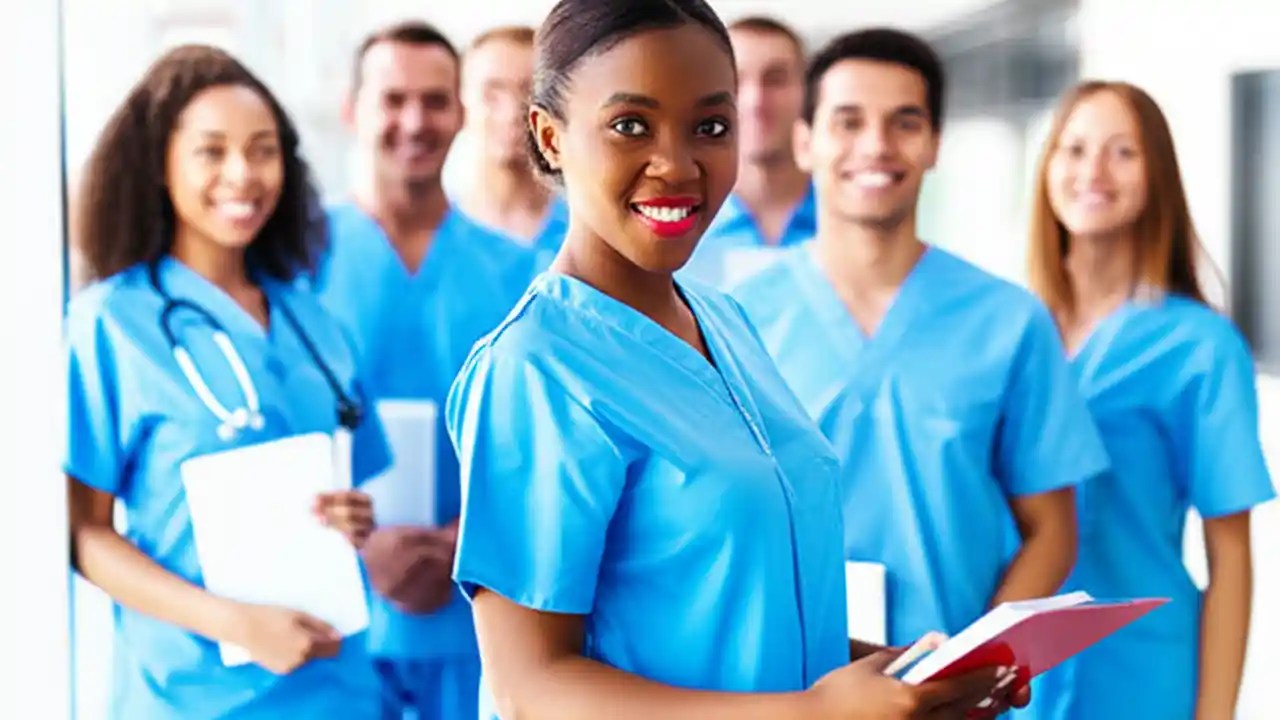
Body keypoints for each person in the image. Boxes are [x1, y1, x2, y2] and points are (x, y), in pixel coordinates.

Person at [445, 3, 1027, 719]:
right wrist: (816, 714)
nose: (677, 164)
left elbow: (735, 618)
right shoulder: (536, 367)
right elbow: (529, 686)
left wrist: (896, 681)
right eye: (631, 125)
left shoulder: (725, 321)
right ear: (550, 136)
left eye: (710, 128)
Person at [731, 28, 1107, 659]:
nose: (876, 146)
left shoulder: (1009, 321)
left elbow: (1051, 529)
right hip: (786, 684)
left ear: (934, 144)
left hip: (948, 683)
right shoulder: (734, 319)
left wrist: (981, 660)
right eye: (848, 122)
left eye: (905, 122)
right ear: (805, 141)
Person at [65, 45, 388, 719]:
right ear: (160, 164)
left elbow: (353, 486)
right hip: (190, 694)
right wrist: (235, 622)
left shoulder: (312, 320)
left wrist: (354, 517)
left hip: (336, 684)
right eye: (212, 151)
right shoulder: (111, 324)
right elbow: (84, 535)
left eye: (263, 150)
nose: (243, 174)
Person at [1023, 80, 1276, 720]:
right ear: (1047, 164)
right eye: (1074, 149)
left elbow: (1231, 554)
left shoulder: (1201, 345)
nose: (1093, 172)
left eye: (1122, 152)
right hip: (1018, 676)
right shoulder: (1009, 329)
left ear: (1156, 173)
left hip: (1143, 673)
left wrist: (1215, 714)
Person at [313, 21, 539, 720]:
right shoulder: (295, 264)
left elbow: (537, 436)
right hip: (336, 615)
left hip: (479, 607)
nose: (415, 121)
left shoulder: (514, 270)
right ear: (353, 110)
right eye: (393, 99)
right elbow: (270, 427)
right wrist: (363, 547)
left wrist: (465, 540)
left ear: (461, 114)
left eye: (435, 101)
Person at [681, 15, 814, 288]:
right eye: (736, 80)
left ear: (809, 92)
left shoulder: (855, 218)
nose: (756, 101)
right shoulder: (673, 223)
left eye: (776, 80)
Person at [456, 25, 567, 254]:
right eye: (491, 94)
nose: (512, 112)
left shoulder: (587, 230)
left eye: (529, 92)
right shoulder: (435, 238)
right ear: (461, 105)